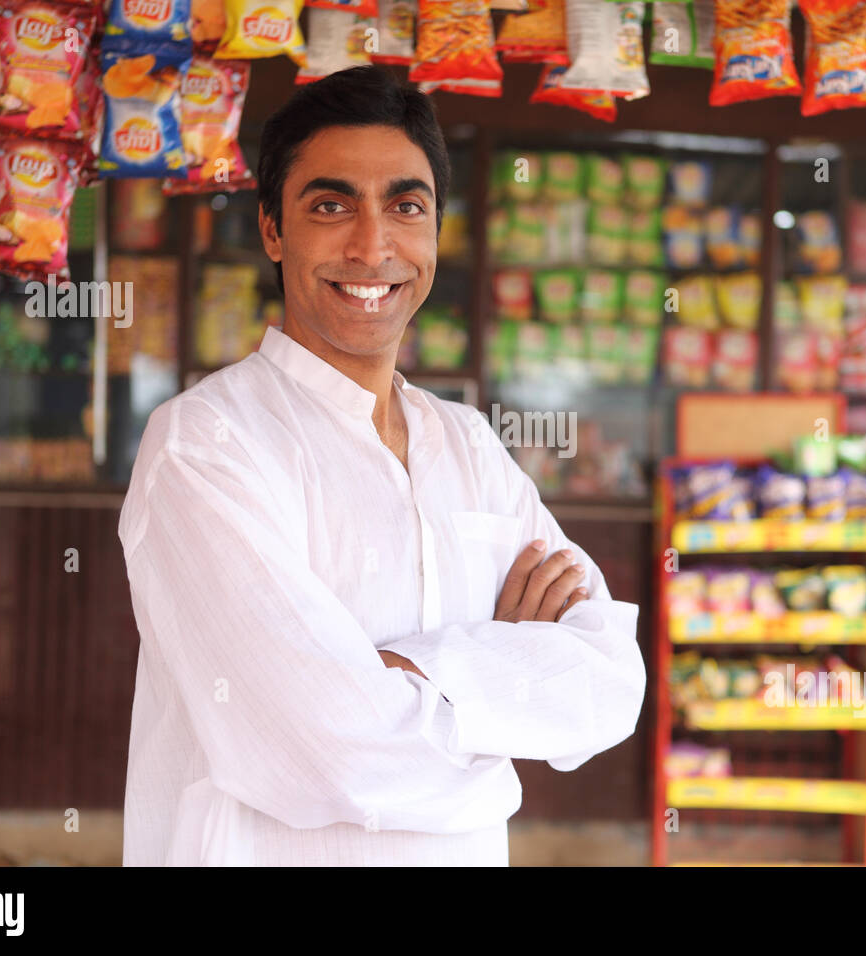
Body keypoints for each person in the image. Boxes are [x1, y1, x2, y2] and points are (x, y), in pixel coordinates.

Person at [117, 66, 645, 866]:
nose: (372, 246)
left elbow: (610, 683)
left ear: (436, 229)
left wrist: (412, 672)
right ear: (271, 229)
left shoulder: (470, 448)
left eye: (406, 206)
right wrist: (504, 692)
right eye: (330, 205)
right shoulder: (205, 446)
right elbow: (330, 750)